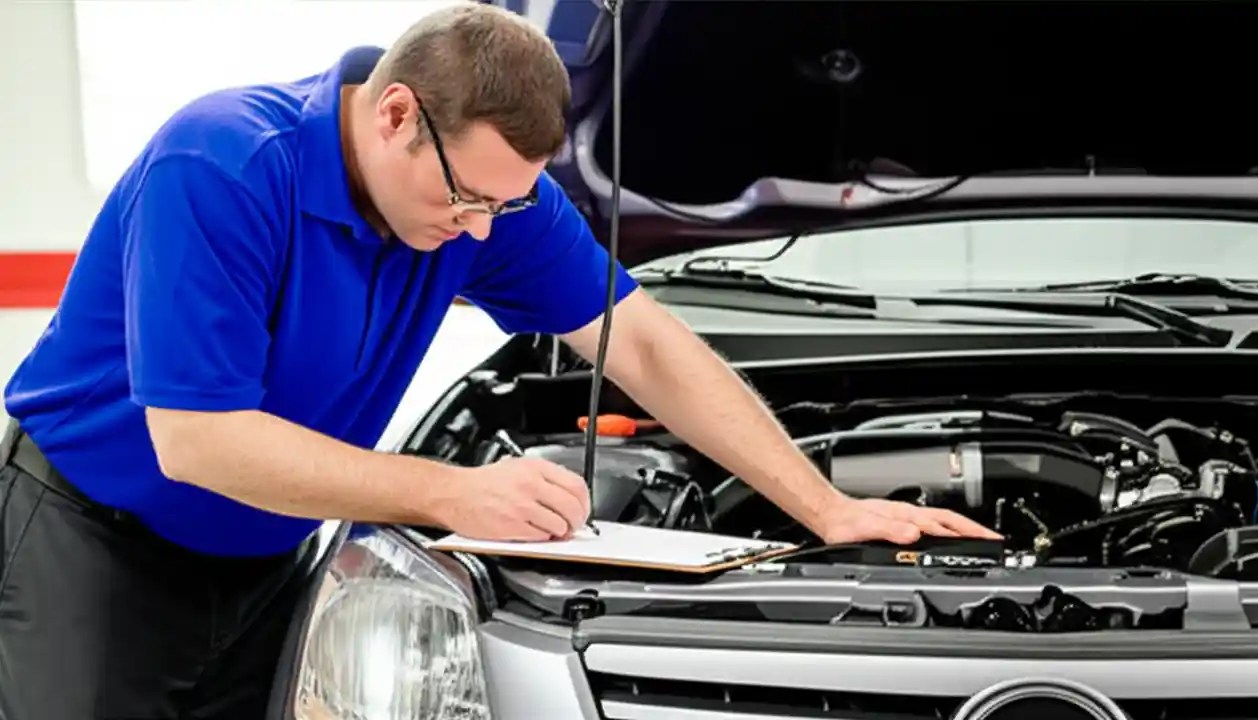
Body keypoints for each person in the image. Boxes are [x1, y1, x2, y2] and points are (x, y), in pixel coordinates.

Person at [0, 4, 998, 719]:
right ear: (394, 114)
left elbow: (639, 339)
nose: (478, 228)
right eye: (465, 199)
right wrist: (451, 495)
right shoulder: (220, 166)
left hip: (265, 557)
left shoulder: (484, 197)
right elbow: (200, 444)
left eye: (501, 206)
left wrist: (821, 506)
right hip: (95, 546)